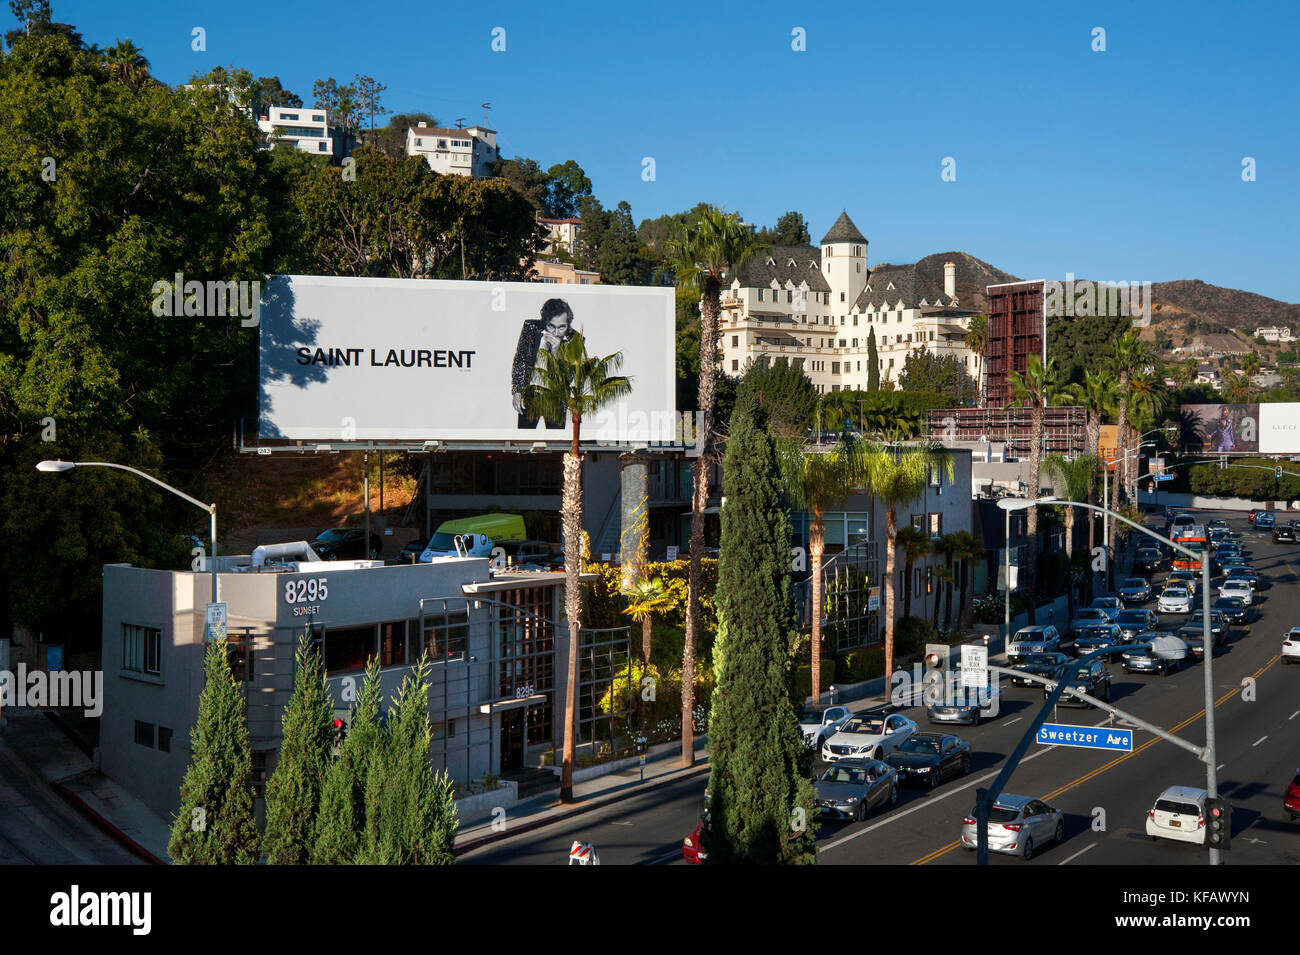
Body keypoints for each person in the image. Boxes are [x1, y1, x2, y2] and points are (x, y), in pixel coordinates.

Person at [511, 298, 578, 429]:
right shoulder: (531, 328)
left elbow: (569, 377)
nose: (556, 332)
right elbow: (520, 359)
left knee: (556, 444)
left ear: (568, 324)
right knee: (524, 442)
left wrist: (556, 352)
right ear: (545, 322)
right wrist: (517, 391)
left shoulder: (574, 339)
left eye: (562, 327)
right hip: (531, 395)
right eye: (551, 326)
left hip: (556, 400)